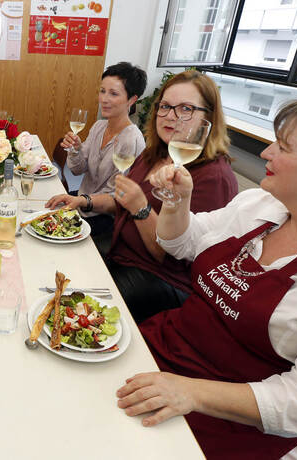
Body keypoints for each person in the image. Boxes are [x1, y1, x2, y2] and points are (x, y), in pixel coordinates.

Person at [117, 93, 297, 459]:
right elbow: (182, 244)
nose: (267, 153)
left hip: (241, 420)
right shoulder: (260, 206)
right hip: (170, 354)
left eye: (283, 147)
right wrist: (176, 201)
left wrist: (192, 392)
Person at [47, 70, 238, 322]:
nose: (171, 116)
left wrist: (141, 207)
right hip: (121, 250)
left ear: (209, 118)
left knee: (68, 311)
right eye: (166, 106)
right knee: (56, 266)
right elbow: (121, 201)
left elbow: (168, 253)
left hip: (157, 278)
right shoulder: (153, 155)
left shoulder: (214, 177)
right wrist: (83, 200)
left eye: (186, 109)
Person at [55, 62, 147, 251]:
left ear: (132, 100)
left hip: (104, 218)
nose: (104, 99)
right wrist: (75, 150)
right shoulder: (99, 126)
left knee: (53, 238)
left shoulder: (131, 140)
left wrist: (82, 201)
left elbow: (116, 200)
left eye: (113, 94)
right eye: (102, 91)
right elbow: (78, 169)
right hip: (82, 201)